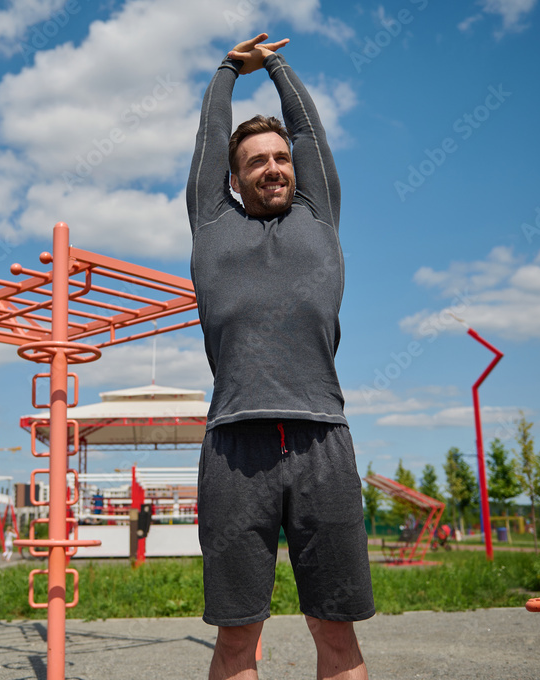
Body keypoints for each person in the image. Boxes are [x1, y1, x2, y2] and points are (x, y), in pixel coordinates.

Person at [187, 33, 374, 679]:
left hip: (323, 439)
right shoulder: (213, 227)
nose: (273, 167)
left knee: (337, 633)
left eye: (280, 158)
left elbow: (312, 135)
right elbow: (209, 145)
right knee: (238, 639)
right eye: (256, 162)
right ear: (235, 180)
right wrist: (226, 73)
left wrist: (276, 66)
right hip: (236, 451)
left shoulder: (318, 216)